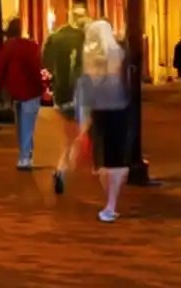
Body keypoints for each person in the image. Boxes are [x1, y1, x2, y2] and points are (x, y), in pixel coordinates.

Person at [76, 20, 131, 223]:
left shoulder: (89, 57)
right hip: (118, 110)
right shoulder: (119, 54)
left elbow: (86, 87)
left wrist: (84, 117)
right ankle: (111, 204)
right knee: (115, 159)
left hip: (98, 110)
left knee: (101, 159)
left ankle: (109, 202)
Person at [43, 5, 88, 195]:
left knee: (68, 134)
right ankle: (63, 167)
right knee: (77, 135)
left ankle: (62, 167)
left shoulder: (54, 38)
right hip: (81, 92)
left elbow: (45, 65)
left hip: (61, 94)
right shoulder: (84, 38)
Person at [0, 18, 44, 169]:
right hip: (30, 90)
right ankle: (25, 156)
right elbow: (35, 69)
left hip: (14, 91)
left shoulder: (8, 47)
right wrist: (41, 86)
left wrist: (1, 87)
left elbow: (0, 67)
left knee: (21, 124)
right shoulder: (31, 47)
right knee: (28, 123)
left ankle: (25, 153)